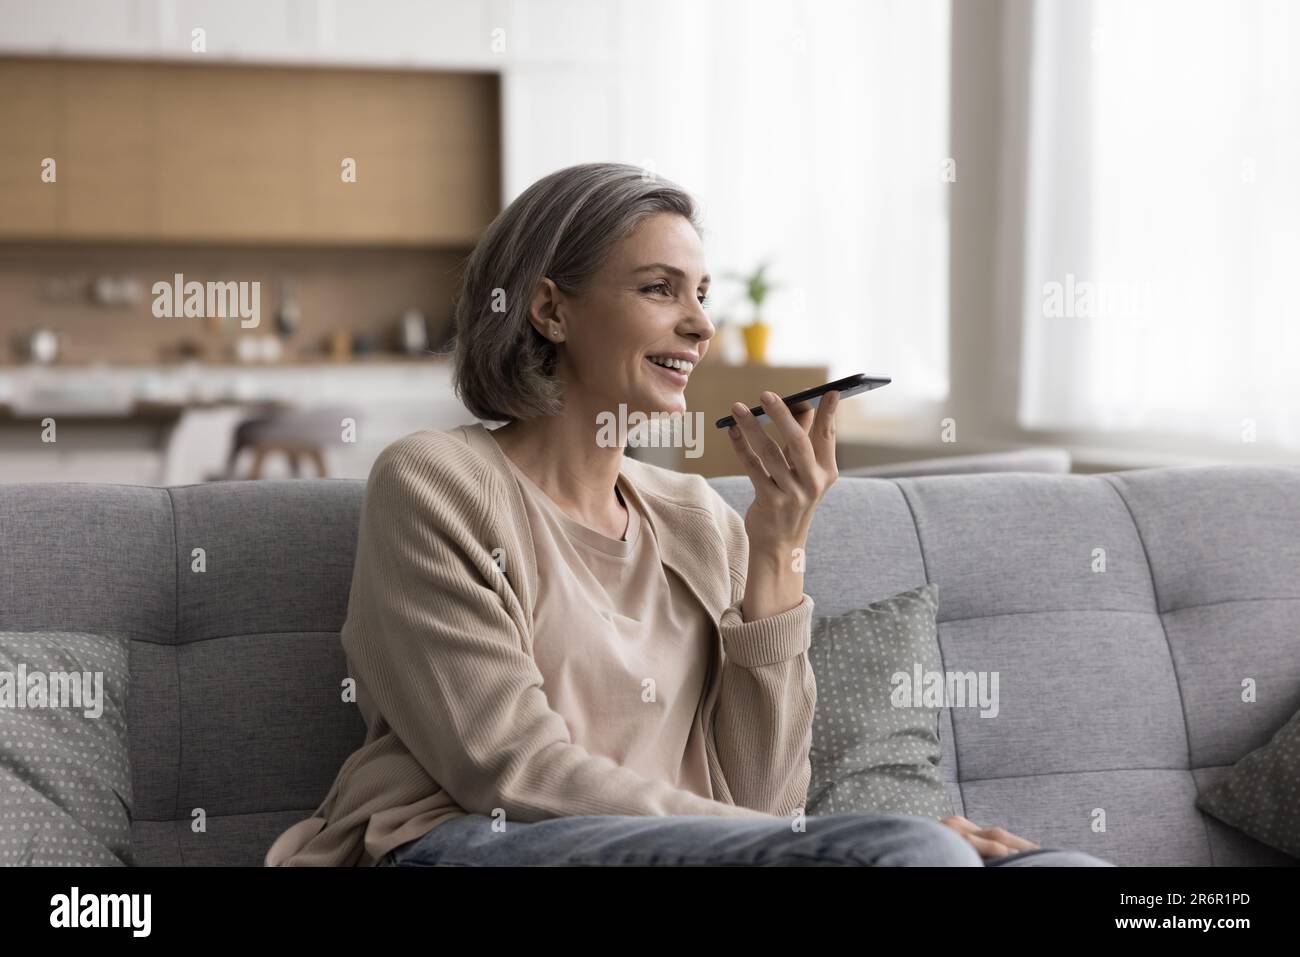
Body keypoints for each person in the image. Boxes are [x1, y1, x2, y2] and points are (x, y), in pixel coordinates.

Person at [265, 162, 1112, 868]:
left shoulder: (693, 513)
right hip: (472, 840)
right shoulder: (436, 481)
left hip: (679, 847)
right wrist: (837, 842)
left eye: (701, 293)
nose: (701, 324)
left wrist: (777, 550)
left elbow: (761, 795)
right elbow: (510, 768)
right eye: (660, 288)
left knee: (1068, 868)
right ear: (551, 308)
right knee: (918, 855)